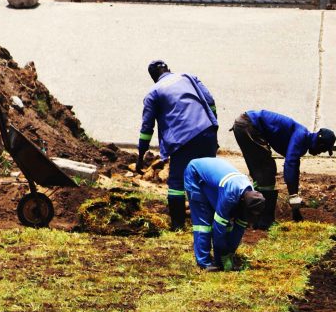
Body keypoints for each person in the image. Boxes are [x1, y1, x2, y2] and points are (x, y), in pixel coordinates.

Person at [137, 60, 219, 230]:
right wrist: (213, 127)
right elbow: (210, 102)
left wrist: (141, 155)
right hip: (207, 131)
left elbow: (147, 127)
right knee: (207, 177)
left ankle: (177, 225)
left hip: (183, 139)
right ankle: (213, 220)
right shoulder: (189, 77)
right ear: (169, 69)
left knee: (177, 183)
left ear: (153, 77)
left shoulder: (154, 92)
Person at [231, 110, 334, 227]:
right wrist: (293, 196)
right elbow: (290, 164)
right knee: (266, 171)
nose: (320, 153)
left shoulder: (303, 138)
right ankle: (264, 221)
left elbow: (294, 166)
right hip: (249, 125)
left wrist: (293, 194)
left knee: (261, 172)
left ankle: (254, 216)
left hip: (245, 125)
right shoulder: (301, 136)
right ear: (320, 144)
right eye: (323, 150)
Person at [184, 157, 266, 271]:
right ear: (242, 202)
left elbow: (240, 226)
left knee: (225, 221)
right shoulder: (230, 195)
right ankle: (204, 262)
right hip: (196, 173)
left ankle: (220, 258)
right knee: (204, 221)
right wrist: (222, 256)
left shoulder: (251, 195)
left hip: (214, 180)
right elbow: (218, 228)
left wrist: (229, 254)